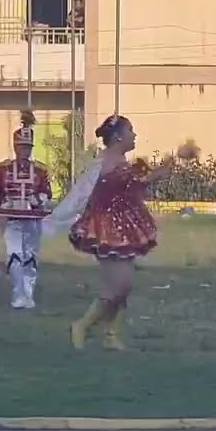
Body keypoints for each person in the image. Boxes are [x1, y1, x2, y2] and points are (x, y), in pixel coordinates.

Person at [48, 115, 171, 351]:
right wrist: (160, 171)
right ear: (118, 137)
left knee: (122, 286)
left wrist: (160, 170)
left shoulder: (122, 163)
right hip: (104, 229)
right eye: (131, 131)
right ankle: (81, 326)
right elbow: (93, 192)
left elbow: (136, 184)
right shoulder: (103, 163)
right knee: (117, 286)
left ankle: (111, 334)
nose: (135, 135)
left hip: (123, 227)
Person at [0, 110, 53, 310]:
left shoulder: (40, 170)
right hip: (12, 220)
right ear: (15, 147)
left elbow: (47, 193)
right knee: (14, 256)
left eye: (27, 147)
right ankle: (18, 293)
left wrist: (36, 200)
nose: (24, 151)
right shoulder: (4, 169)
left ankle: (29, 293)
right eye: (21, 147)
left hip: (33, 219)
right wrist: (4, 203)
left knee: (31, 256)